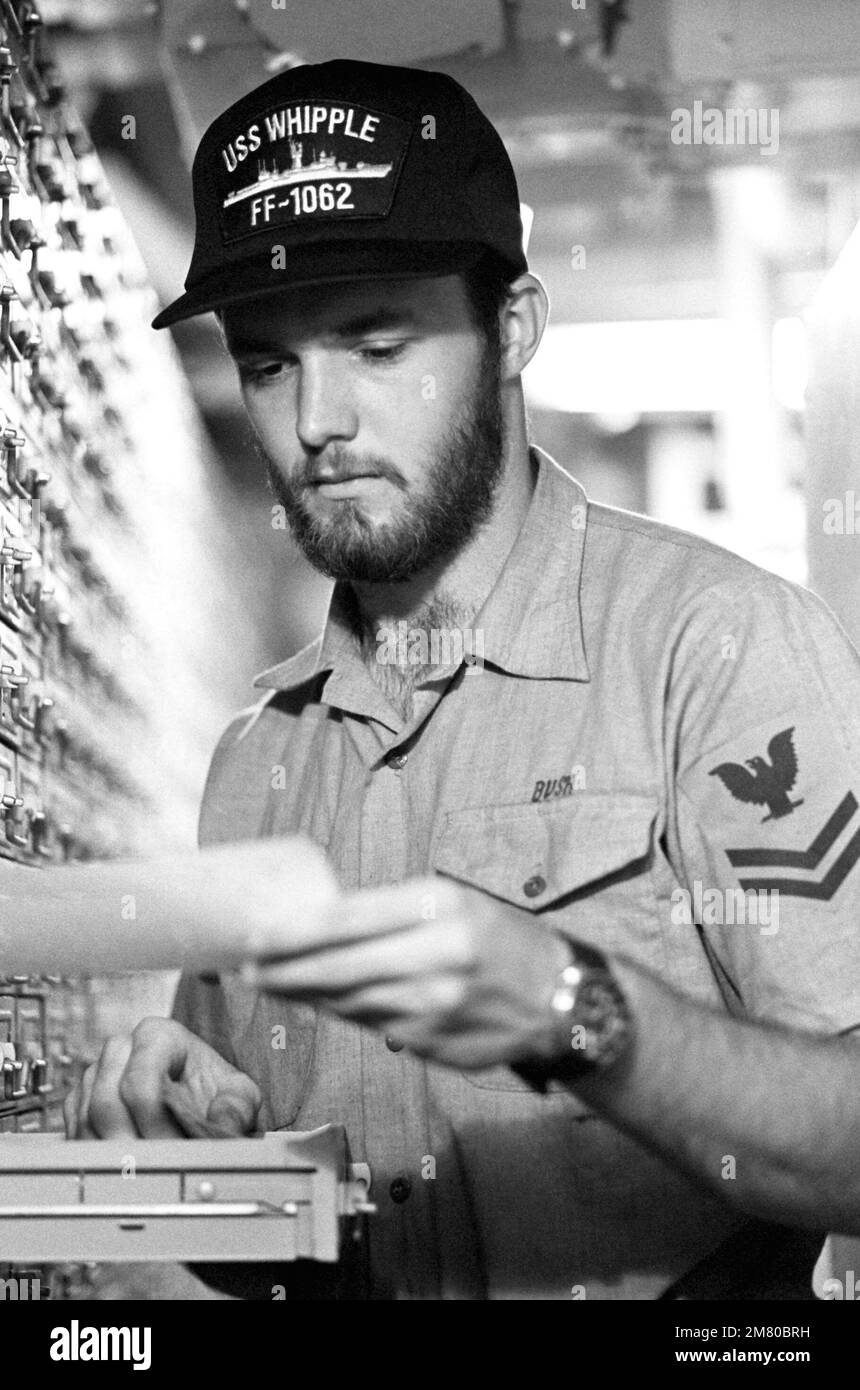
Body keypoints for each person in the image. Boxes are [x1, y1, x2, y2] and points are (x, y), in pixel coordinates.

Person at [66, 58, 860, 1300]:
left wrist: (570, 1010)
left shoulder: (715, 648)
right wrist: (203, 1157)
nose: (315, 419)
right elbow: (271, 1237)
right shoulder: (257, 759)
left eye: (376, 345)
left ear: (514, 329)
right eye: (267, 364)